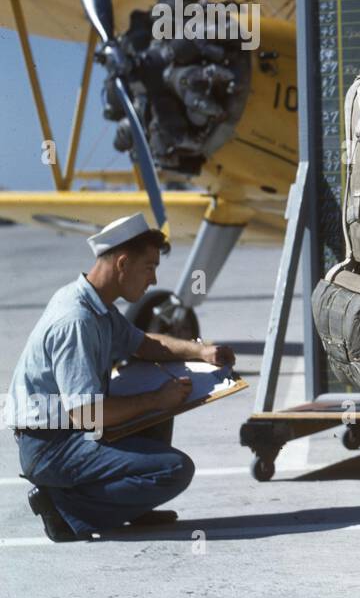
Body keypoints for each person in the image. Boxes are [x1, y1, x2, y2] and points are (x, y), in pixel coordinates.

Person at [4, 213, 236, 541]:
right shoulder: (78, 321)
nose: (153, 280)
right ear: (123, 264)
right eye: (149, 267)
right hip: (51, 446)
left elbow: (145, 344)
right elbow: (86, 413)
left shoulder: (95, 304)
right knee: (174, 470)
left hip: (65, 434)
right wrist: (156, 399)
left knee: (159, 410)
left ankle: (131, 507)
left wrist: (201, 352)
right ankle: (66, 511)